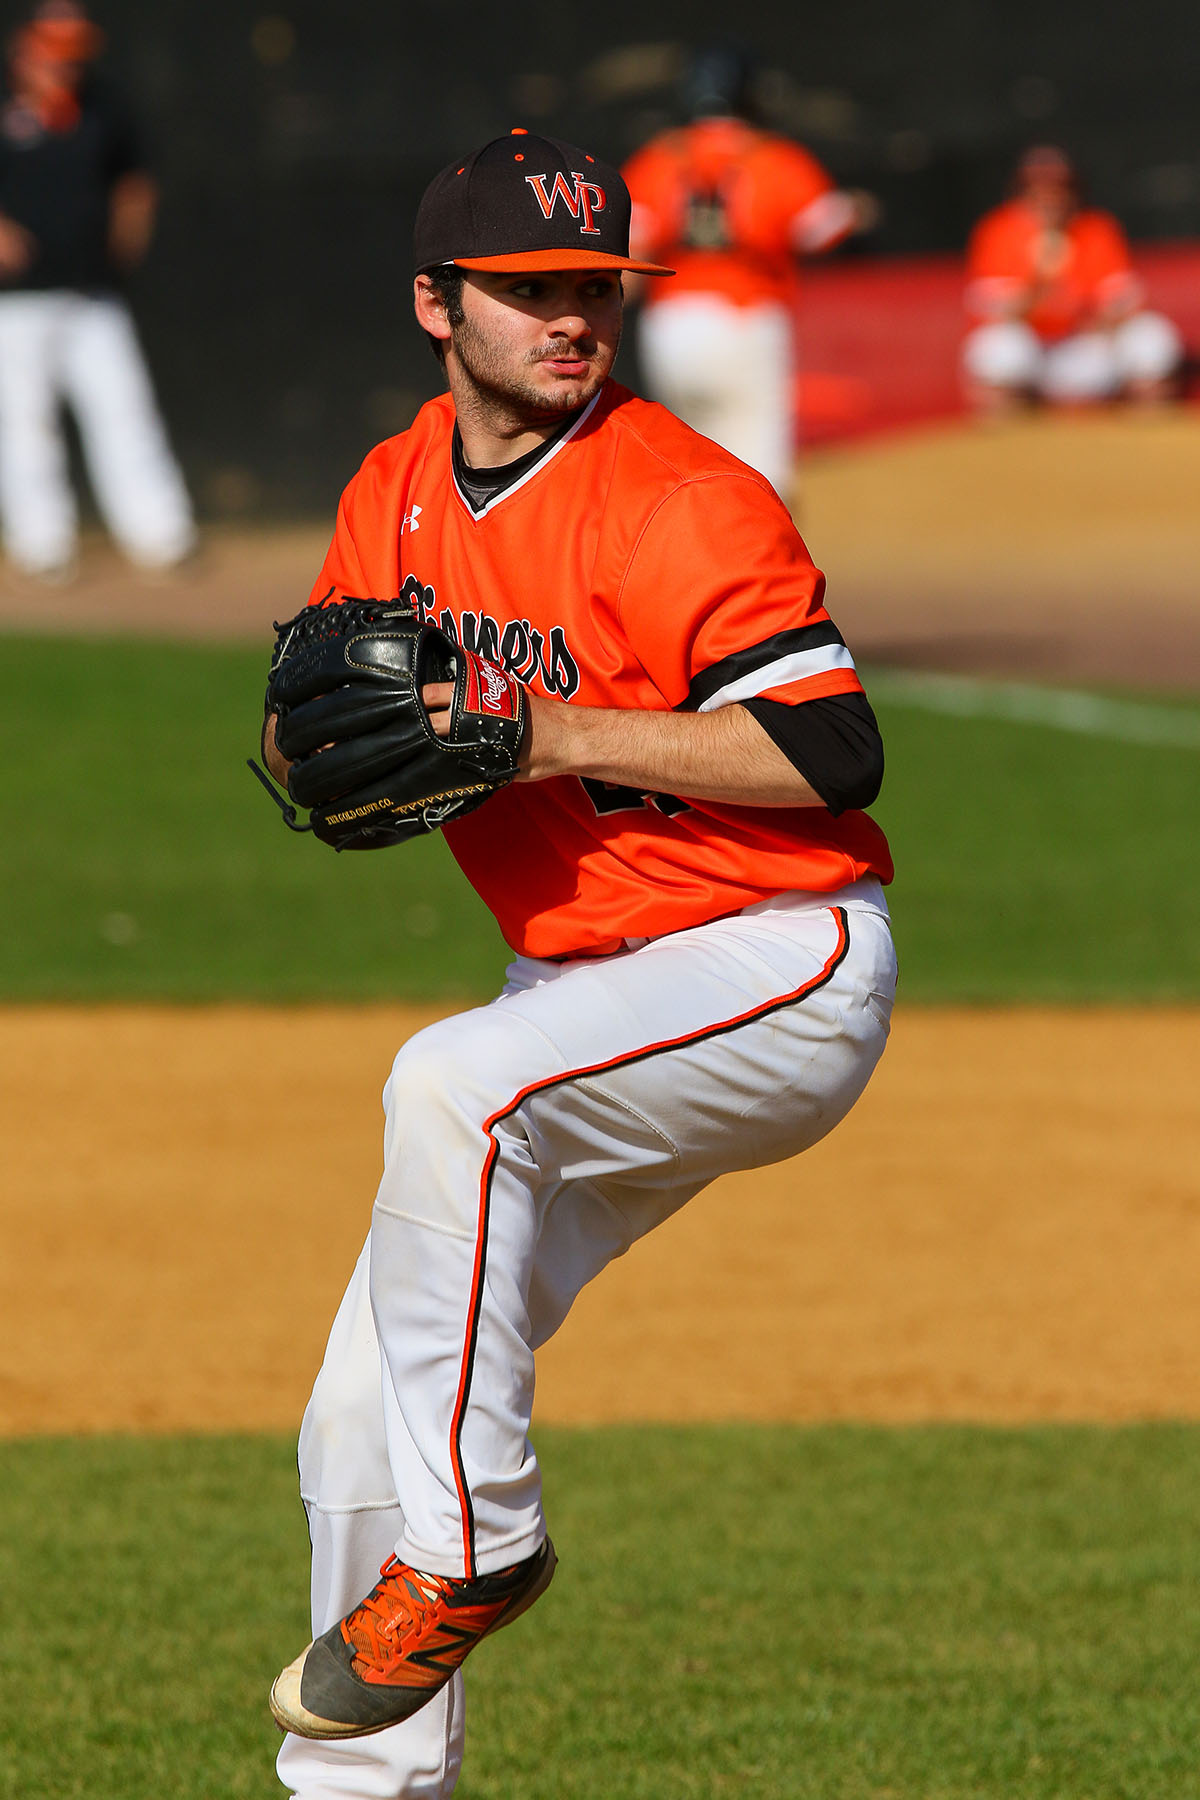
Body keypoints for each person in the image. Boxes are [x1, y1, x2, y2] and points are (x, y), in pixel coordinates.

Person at [263, 128, 896, 1800]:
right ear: (434, 305)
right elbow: (306, 719)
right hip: (591, 997)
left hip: (779, 960)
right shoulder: (393, 489)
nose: (569, 316)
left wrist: (541, 732)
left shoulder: (682, 494)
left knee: (450, 1086)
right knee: (358, 1408)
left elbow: (834, 752)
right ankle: (365, 1789)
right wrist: (312, 754)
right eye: (529, 289)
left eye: (592, 289)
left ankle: (482, 1549)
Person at [621, 43, 875, 498]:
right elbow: (821, 228)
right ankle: (768, 566)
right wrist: (855, 209)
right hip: (747, 319)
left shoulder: (660, 158)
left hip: (671, 326)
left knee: (689, 469)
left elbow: (631, 249)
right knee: (763, 477)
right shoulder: (774, 157)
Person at [0, 0, 196, 581]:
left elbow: (135, 181)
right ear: (25, 50)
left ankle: (162, 536)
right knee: (25, 424)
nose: (65, 66)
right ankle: (42, 547)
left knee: (125, 410)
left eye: (73, 54)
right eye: (54, 53)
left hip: (92, 293)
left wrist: (125, 239)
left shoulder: (103, 108)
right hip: (17, 301)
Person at [962, 144, 1184, 414]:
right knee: (1000, 345)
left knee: (1150, 334)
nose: (1049, 197)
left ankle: (1144, 425)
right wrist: (1040, 284)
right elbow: (993, 313)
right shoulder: (997, 230)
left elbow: (1124, 301)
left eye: (1058, 188)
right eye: (1037, 188)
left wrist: (1088, 315)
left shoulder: (1096, 228)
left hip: (1086, 350)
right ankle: (1007, 428)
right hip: (1035, 357)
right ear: (1021, 190)